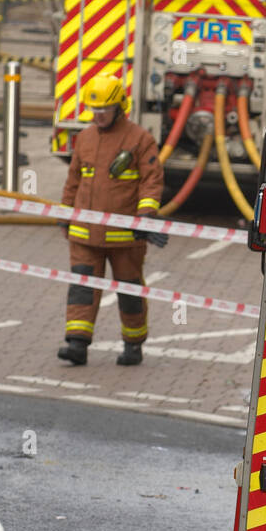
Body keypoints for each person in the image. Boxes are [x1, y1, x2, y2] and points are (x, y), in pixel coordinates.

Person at [58, 74, 164, 366]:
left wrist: (145, 216)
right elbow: (74, 179)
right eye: (95, 110)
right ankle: (77, 344)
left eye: (104, 109)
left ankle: (133, 345)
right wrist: (66, 213)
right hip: (84, 234)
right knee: (81, 288)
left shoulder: (139, 139)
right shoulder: (86, 138)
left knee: (129, 290)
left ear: (119, 106)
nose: (99, 115)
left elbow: (151, 181)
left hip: (124, 236)